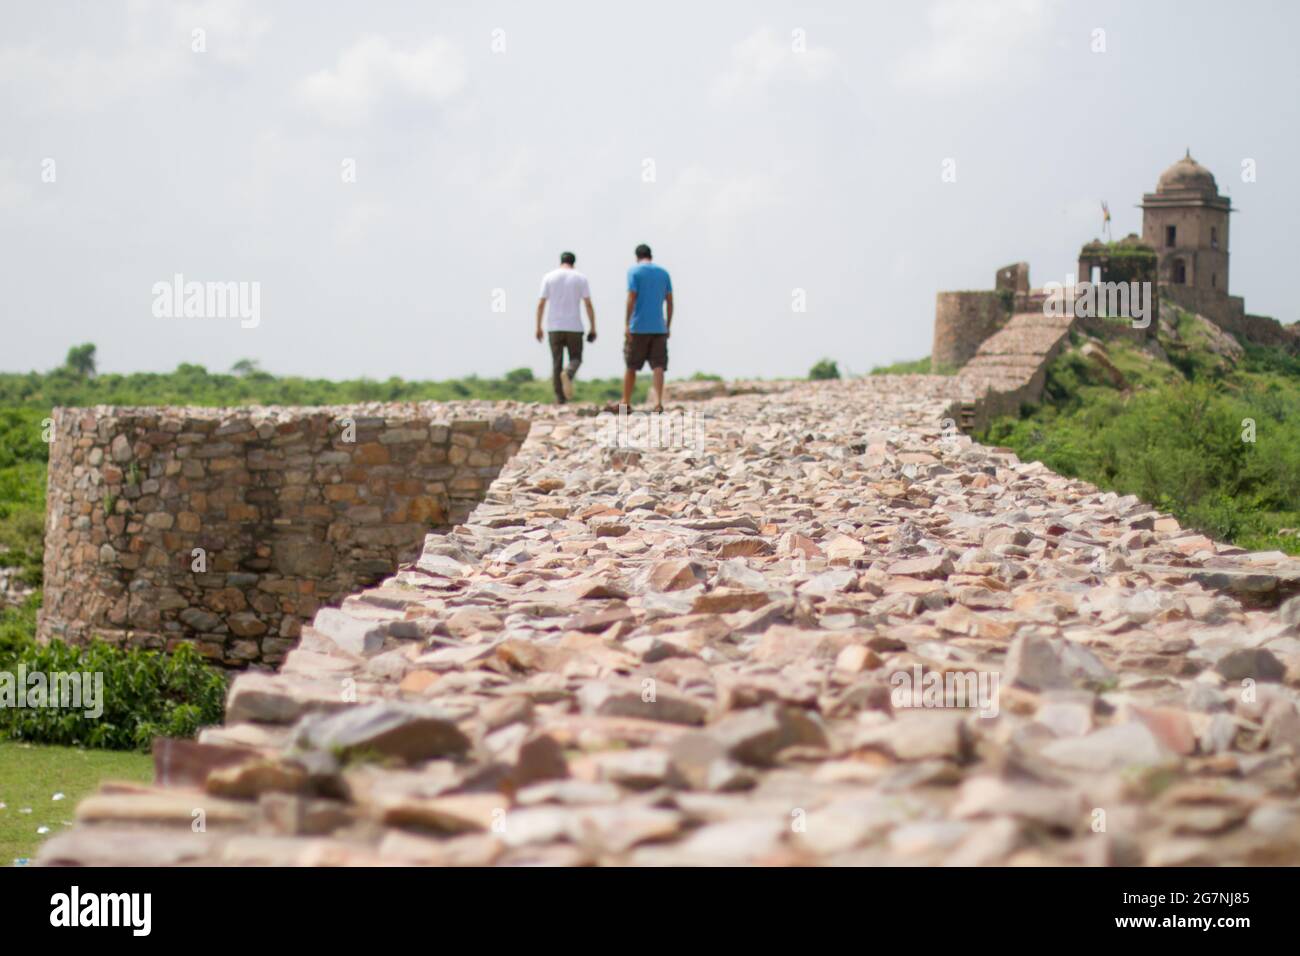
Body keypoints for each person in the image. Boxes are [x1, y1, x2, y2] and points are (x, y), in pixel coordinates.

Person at [536, 251, 596, 403]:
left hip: (554, 326)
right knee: (576, 358)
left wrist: (538, 326)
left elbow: (541, 304)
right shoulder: (580, 278)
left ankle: (560, 398)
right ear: (573, 263)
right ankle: (568, 373)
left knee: (556, 362)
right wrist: (593, 327)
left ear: (560, 261)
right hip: (574, 326)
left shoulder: (549, 277)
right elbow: (588, 304)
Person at [621, 243, 673, 412]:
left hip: (638, 326)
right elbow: (670, 301)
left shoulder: (634, 272)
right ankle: (658, 402)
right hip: (658, 326)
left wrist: (627, 323)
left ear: (637, 257)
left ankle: (626, 402)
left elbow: (631, 298)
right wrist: (668, 324)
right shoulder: (663, 273)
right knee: (658, 366)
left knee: (631, 366)